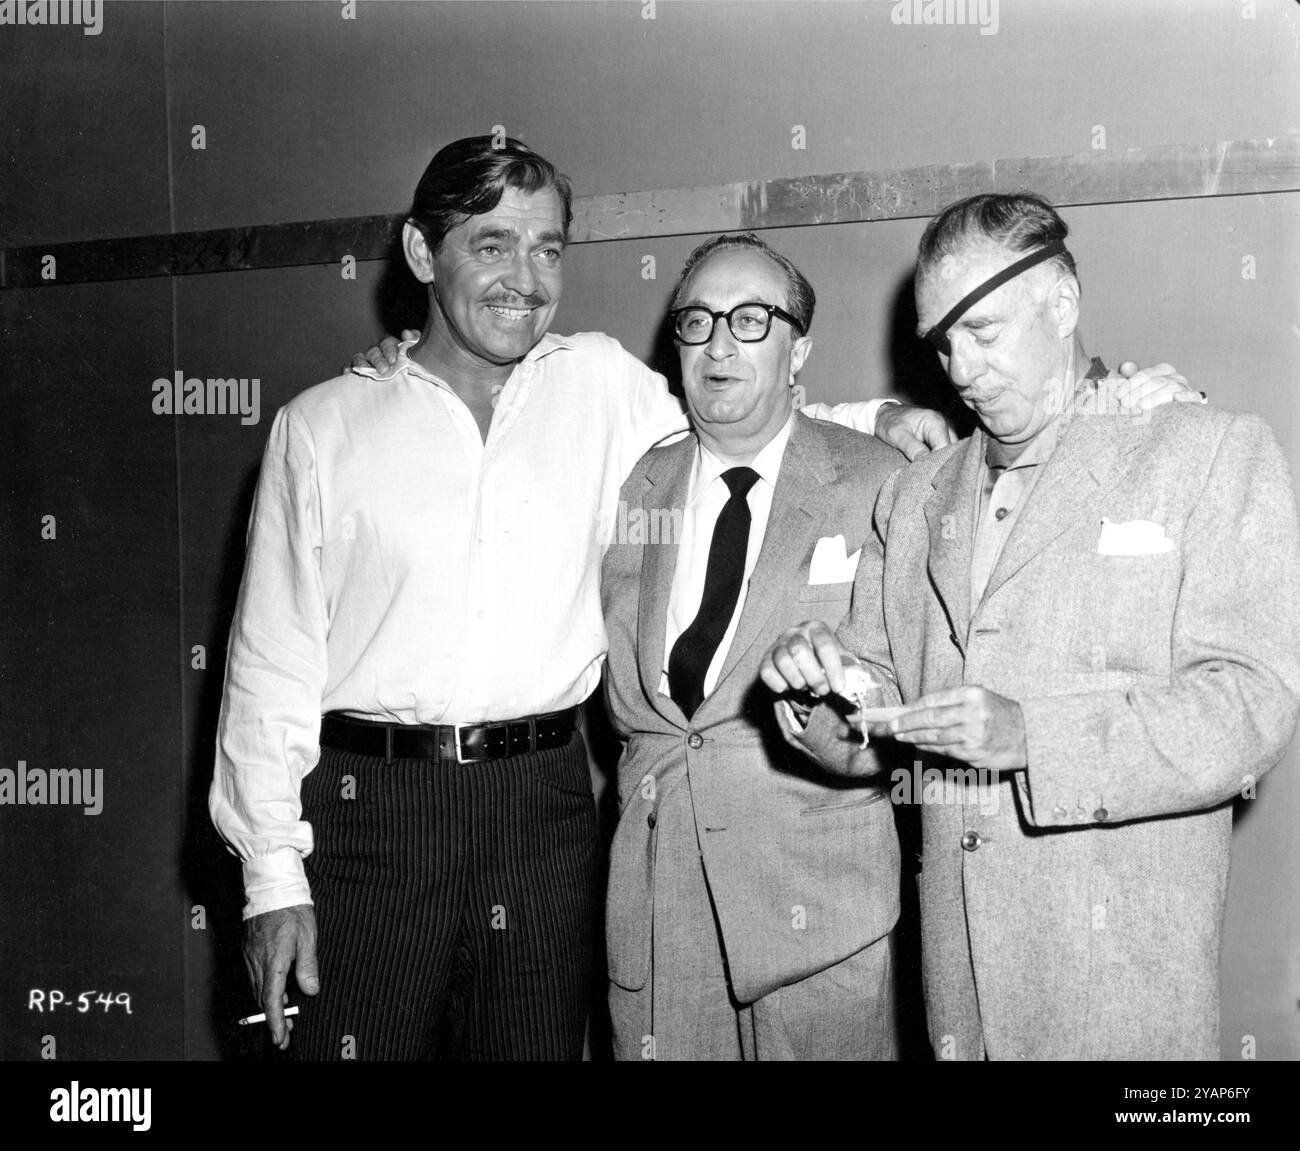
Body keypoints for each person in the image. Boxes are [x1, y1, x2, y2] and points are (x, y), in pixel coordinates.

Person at [209, 135, 951, 1060]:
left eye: (549, 248)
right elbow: (269, 666)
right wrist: (272, 880)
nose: (526, 276)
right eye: (491, 244)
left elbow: (738, 419)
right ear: (418, 253)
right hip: (369, 818)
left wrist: (887, 417)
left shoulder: (597, 383)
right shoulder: (322, 430)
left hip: (544, 814)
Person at [761, 192, 1300, 1060]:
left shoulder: (1206, 452)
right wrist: (821, 692)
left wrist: (1033, 738)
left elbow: (1251, 706)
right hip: (956, 998)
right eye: (944, 343)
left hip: (1122, 994)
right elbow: (873, 726)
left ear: (1063, 302)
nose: (962, 369)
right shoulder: (913, 496)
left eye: (985, 331)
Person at [600, 232, 905, 1059]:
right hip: (662, 918)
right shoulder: (636, 486)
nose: (719, 343)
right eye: (696, 322)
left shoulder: (881, 480)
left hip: (817, 920)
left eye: (749, 319)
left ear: (799, 346)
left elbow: (915, 699)